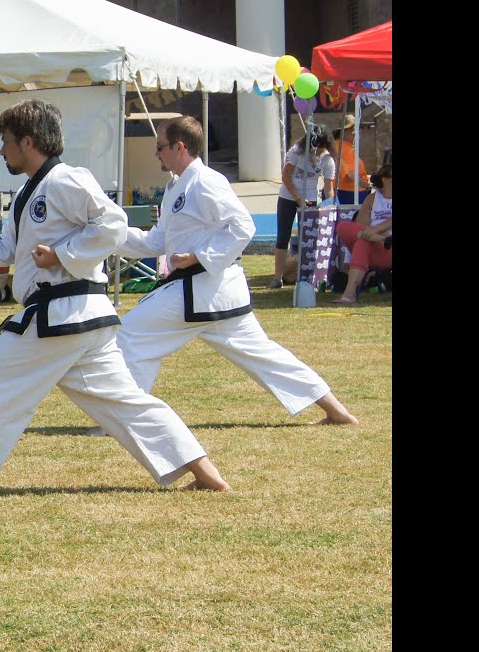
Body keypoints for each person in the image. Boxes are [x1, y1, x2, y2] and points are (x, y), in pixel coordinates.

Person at [0, 99, 230, 504]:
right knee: (124, 402)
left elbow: (112, 224)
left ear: (28, 140)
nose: (1, 151)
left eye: (5, 141)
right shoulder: (30, 190)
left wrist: (63, 255)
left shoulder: (65, 179)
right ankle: (205, 471)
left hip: (61, 314)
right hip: (80, 322)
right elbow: (6, 250)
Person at [104, 115, 358, 426]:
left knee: (131, 334)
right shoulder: (176, 186)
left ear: (179, 147)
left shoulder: (206, 181)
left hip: (205, 288)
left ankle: (127, 417)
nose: (156, 153)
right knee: (263, 355)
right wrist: (111, 236)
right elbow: (157, 240)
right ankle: (337, 411)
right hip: (210, 293)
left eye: (160, 147)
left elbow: (243, 227)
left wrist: (199, 256)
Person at [270, 127, 336, 288]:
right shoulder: (296, 152)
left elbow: (328, 187)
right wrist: (297, 197)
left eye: (321, 147)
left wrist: (331, 204)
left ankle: (307, 275)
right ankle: (278, 277)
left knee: (308, 238)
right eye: (315, 147)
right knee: (283, 236)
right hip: (288, 196)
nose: (317, 151)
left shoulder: (328, 160)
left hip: (311, 199)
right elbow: (285, 176)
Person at [332, 164, 393, 304]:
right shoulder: (372, 199)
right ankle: (383, 240)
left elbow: (369, 228)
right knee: (343, 227)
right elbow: (361, 224)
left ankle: (349, 294)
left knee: (363, 240)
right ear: (385, 179)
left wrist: (374, 230)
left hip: (389, 251)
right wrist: (378, 236)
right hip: (379, 246)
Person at [332, 115, 371, 208]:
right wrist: (368, 185)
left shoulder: (337, 145)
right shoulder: (345, 147)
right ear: (345, 131)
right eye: (354, 129)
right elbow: (351, 175)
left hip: (343, 191)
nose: (357, 133)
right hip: (350, 193)